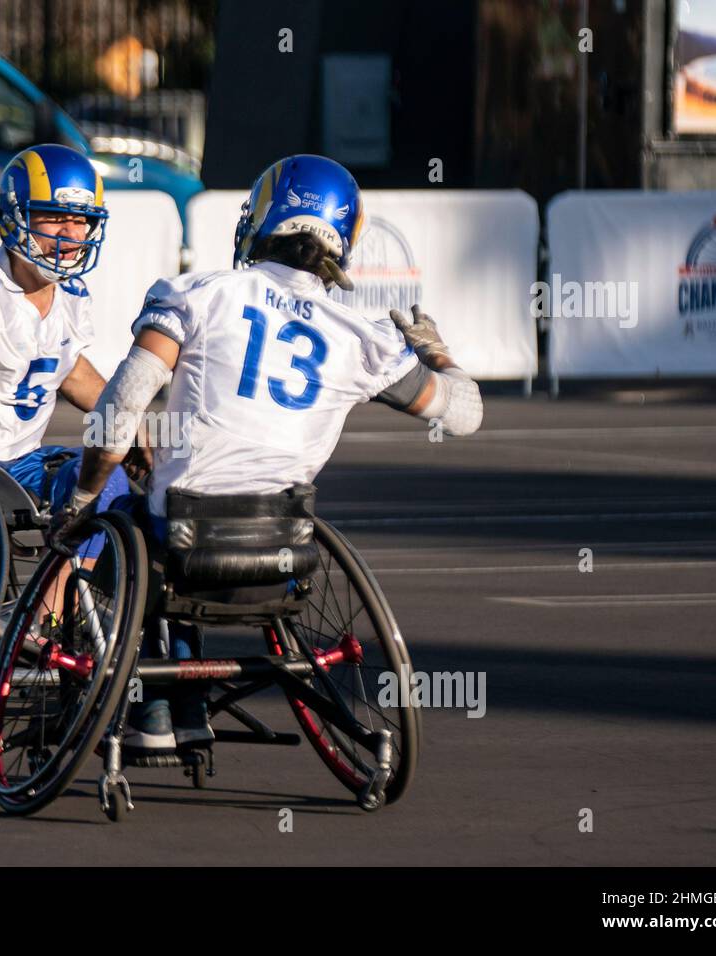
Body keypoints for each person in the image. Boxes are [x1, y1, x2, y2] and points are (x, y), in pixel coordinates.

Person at [50, 153, 483, 756]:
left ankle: (155, 705)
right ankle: (187, 706)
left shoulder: (196, 294)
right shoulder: (365, 338)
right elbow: (465, 414)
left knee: (129, 513)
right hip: (286, 545)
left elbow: (120, 409)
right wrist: (437, 353)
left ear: (262, 220)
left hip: (184, 533)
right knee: (171, 516)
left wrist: (83, 496)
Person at [0, 143, 145, 529]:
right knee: (100, 483)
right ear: (14, 218)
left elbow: (71, 372)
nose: (71, 234)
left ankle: (66, 586)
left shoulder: (71, 296)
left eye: (81, 220)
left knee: (110, 475)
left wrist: (126, 425)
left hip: (18, 463)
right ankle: (59, 588)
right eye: (54, 218)